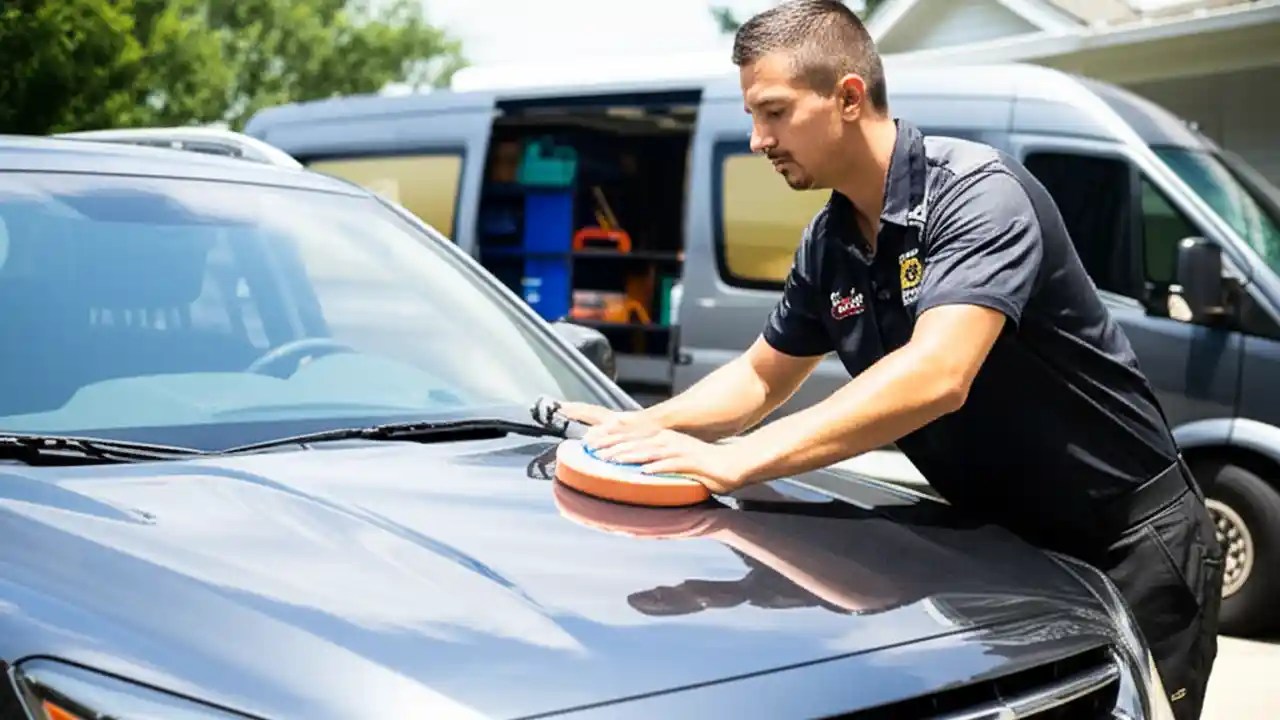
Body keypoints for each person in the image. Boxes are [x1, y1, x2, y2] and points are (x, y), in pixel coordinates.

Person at [557, 1, 1223, 717]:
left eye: (774, 112)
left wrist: (740, 460)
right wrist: (646, 429)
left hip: (1130, 545)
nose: (757, 139)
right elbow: (758, 377)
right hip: (1003, 549)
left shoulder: (975, 194)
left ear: (847, 96)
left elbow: (937, 376)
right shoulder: (830, 241)